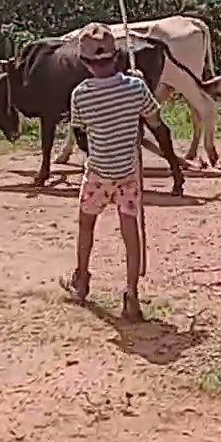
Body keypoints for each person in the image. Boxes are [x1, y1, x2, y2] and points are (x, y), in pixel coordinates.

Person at [59, 23, 164, 322]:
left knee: (86, 226)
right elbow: (154, 119)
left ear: (84, 62)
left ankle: (81, 279)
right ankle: (131, 296)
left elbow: (80, 132)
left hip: (97, 173)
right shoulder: (135, 87)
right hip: (127, 174)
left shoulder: (80, 94)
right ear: (116, 56)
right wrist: (139, 84)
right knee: (130, 233)